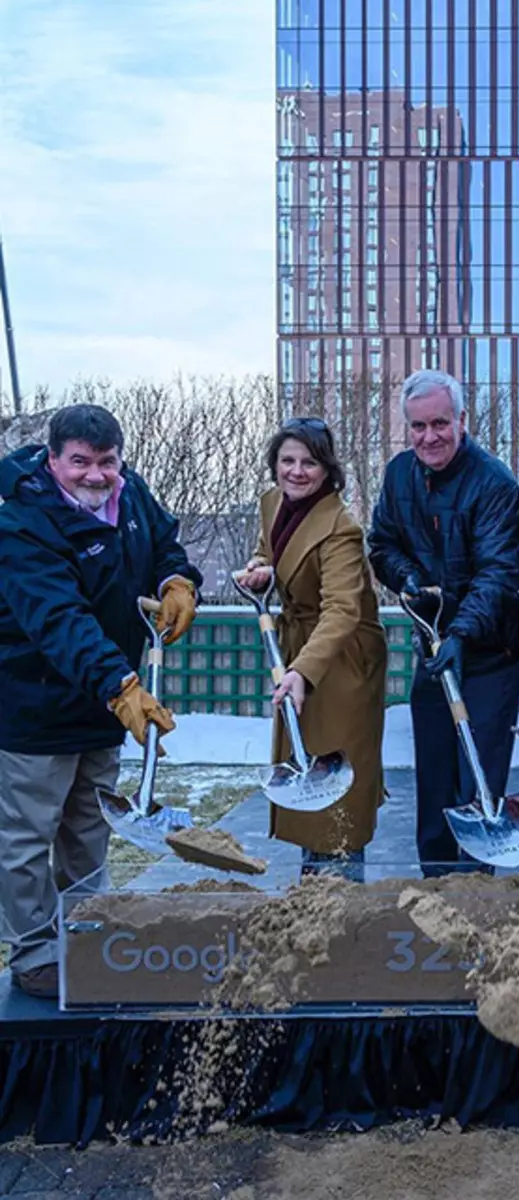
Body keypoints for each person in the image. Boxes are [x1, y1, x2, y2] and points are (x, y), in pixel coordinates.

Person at [0, 404, 200, 998]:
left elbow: (165, 542)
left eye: (106, 462)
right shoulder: (22, 520)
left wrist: (176, 581)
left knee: (89, 829)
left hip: (106, 703)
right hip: (36, 703)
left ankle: (85, 935)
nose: (95, 475)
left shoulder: (130, 493)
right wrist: (121, 685)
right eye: (80, 463)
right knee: (28, 835)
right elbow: (60, 619)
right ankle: (35, 953)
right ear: (52, 458)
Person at [368, 369, 519, 876]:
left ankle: (475, 889)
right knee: (435, 774)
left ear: (462, 420)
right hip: (433, 647)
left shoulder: (494, 483)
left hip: (489, 653)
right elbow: (382, 545)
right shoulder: (399, 476)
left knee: (475, 772)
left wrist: (461, 633)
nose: (429, 436)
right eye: (418, 426)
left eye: (440, 423)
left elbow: (499, 572)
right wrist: (409, 577)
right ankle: (434, 886)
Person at [239, 418, 387, 882]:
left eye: (310, 462)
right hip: (299, 647)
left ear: (328, 470)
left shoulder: (341, 528)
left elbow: (342, 610)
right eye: (288, 460)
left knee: (338, 777)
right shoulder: (272, 504)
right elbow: (270, 549)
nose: (297, 471)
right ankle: (313, 886)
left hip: (340, 661)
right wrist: (261, 567)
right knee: (303, 770)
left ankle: (342, 891)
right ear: (275, 464)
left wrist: (302, 673)